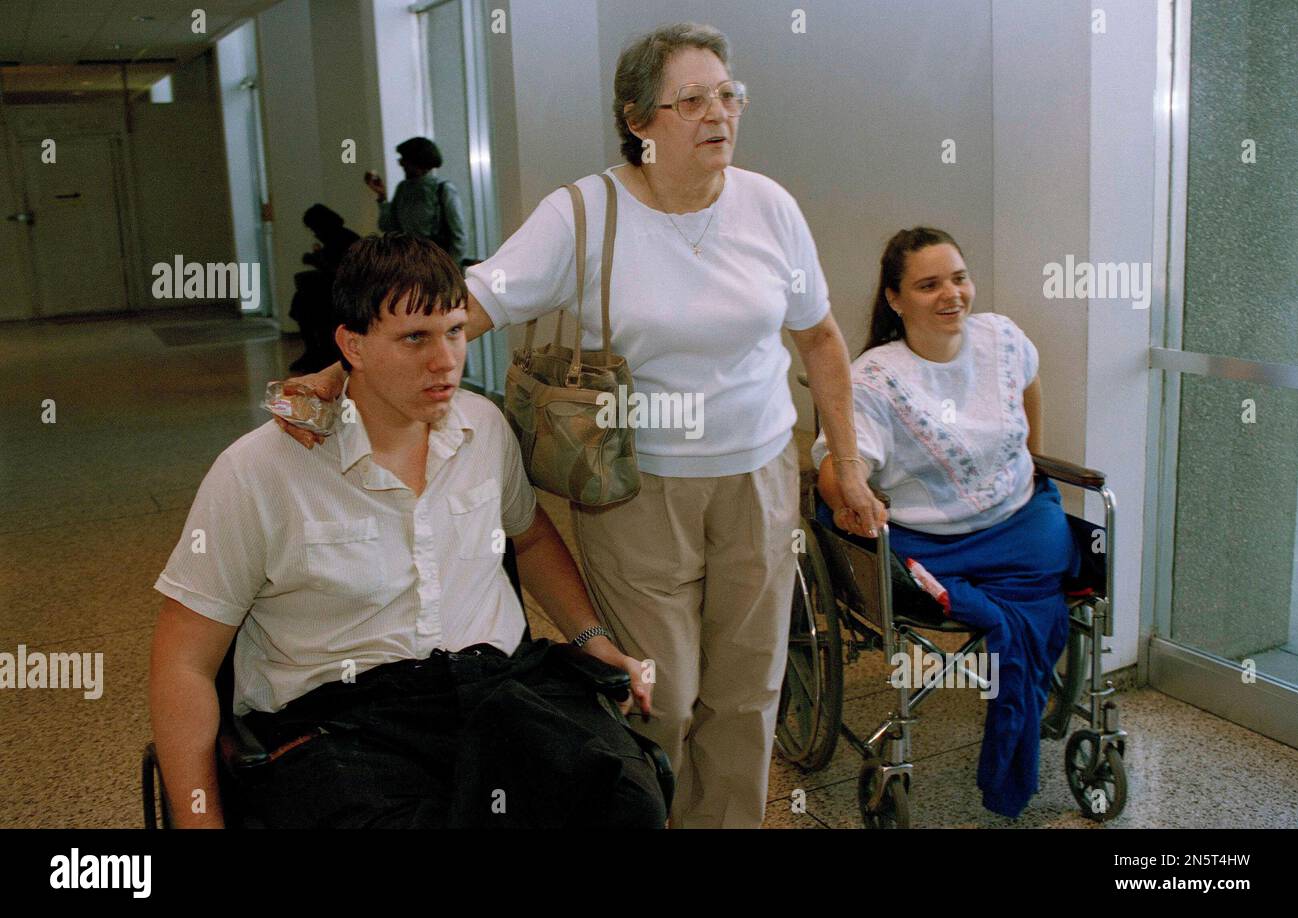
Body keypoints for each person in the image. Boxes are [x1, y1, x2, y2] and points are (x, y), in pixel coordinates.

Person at [275, 22, 879, 829]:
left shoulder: (769, 207)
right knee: (658, 694)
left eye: (727, 96)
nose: (718, 115)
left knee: (746, 696)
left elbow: (821, 338)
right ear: (638, 120)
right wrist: (341, 370)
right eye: (691, 100)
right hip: (633, 484)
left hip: (760, 475)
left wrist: (846, 458)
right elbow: (474, 301)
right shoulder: (585, 214)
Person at [149, 234, 660, 829]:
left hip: (493, 689)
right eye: (415, 337)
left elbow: (530, 537)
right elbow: (182, 663)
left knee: (627, 801)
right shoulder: (260, 470)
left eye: (454, 331)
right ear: (352, 346)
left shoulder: (483, 427)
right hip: (345, 718)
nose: (444, 360)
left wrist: (592, 637)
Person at [813, 227, 1077, 819]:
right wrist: (850, 496)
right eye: (928, 285)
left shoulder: (1001, 337)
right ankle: (1013, 685)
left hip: (1021, 525)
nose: (951, 294)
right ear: (895, 299)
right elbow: (835, 467)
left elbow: (1030, 380)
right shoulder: (876, 378)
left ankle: (1011, 689)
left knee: (1045, 578)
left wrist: (1032, 456)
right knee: (1012, 622)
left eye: (958, 278)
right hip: (930, 542)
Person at [366, 137, 467, 266]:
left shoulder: (443, 189)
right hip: (410, 263)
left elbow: (458, 236)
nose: (401, 164)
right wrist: (382, 196)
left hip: (435, 263)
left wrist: (449, 267)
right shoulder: (403, 188)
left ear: (418, 161)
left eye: (404, 159)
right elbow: (388, 227)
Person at [288, 204, 358, 373]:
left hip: (349, 291)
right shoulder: (337, 237)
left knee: (306, 301)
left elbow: (340, 270)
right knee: (303, 300)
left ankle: (317, 352)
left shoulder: (342, 239)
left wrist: (315, 259)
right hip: (339, 289)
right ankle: (313, 352)